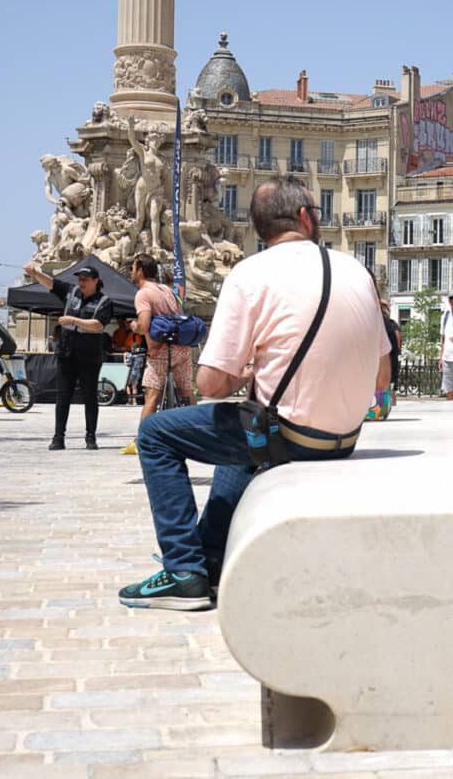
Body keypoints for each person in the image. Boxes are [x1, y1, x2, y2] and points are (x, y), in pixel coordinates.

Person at [119, 175, 391, 611]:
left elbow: (210, 384)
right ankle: (209, 554)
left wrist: (246, 370)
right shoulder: (355, 270)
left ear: (261, 228)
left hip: (291, 439)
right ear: (306, 217)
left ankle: (183, 569)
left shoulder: (250, 274)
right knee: (250, 424)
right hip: (343, 437)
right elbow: (382, 378)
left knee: (157, 435)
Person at [22, 262, 114, 451]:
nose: (81, 283)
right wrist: (35, 273)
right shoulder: (71, 292)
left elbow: (99, 325)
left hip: (89, 356)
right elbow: (52, 283)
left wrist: (74, 321)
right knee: (63, 397)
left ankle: (90, 437)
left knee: (90, 397)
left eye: (85, 280)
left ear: (96, 281)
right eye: (80, 279)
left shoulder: (104, 302)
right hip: (67, 353)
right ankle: (58, 437)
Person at [122, 253, 196, 451]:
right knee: (187, 393)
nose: (131, 272)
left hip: (161, 351)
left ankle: (143, 441)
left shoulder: (143, 294)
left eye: (133, 268)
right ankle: (197, 435)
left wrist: (133, 326)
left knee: (152, 397)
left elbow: (145, 325)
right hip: (182, 347)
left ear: (140, 271)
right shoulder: (167, 289)